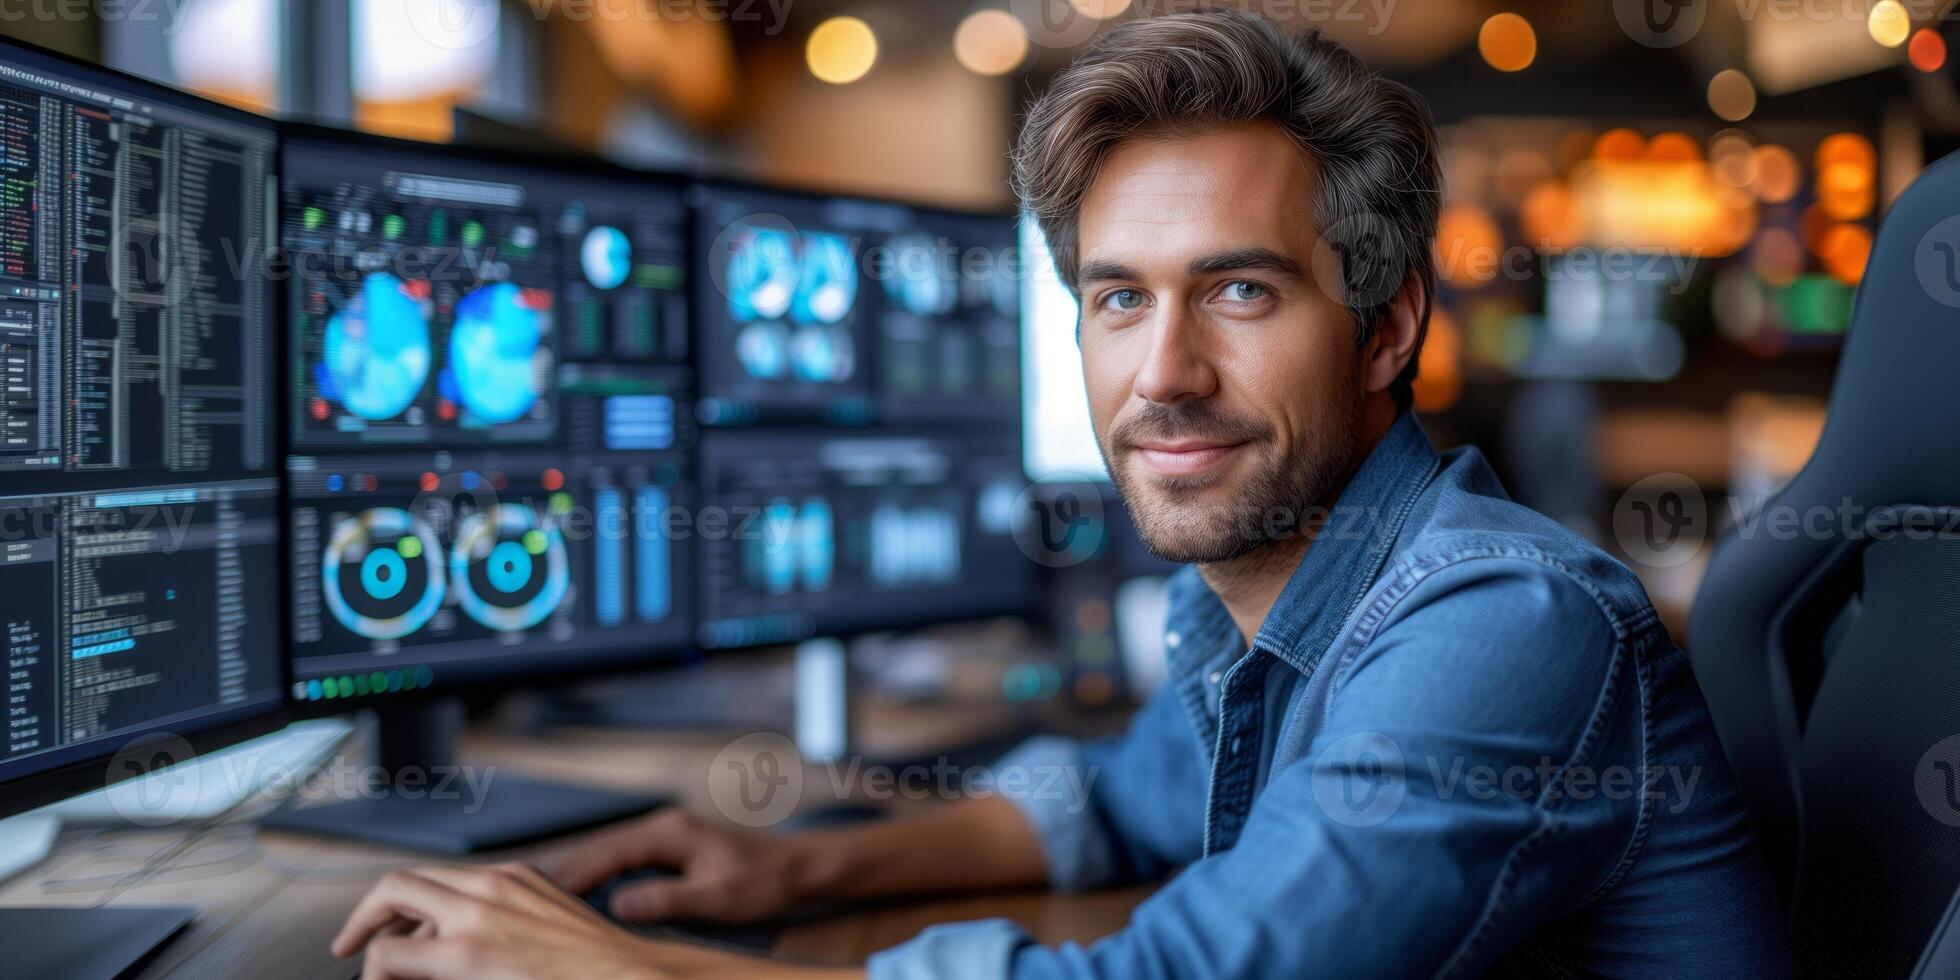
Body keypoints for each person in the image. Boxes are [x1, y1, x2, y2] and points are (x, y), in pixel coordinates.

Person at [331, 10, 1794, 978]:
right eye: (1117, 298)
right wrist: (779, 871)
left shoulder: (1505, 621)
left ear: (1387, 326)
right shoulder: (1256, 604)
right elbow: (1104, 800)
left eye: (1239, 289)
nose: (1165, 375)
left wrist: (625, 969)